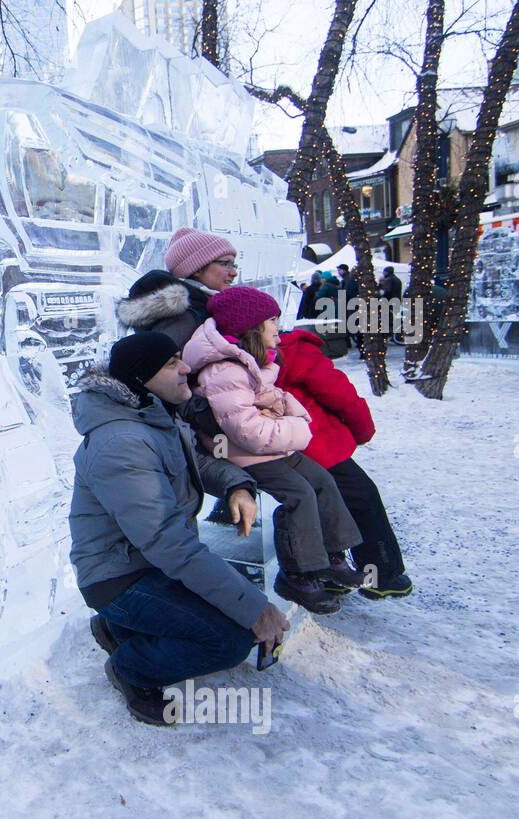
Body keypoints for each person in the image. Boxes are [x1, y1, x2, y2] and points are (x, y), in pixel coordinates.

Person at [69, 332, 290, 726]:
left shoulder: (153, 414)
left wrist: (236, 484)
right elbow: (167, 543)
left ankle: (119, 627)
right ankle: (131, 668)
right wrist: (256, 609)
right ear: (141, 378)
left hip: (150, 563)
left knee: (229, 606)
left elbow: (196, 465)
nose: (186, 367)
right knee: (230, 639)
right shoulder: (121, 442)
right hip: (120, 576)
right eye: (172, 363)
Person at [183, 286, 364, 614]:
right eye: (272, 321)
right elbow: (248, 431)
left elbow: (273, 398)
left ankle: (332, 554)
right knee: (299, 494)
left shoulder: (250, 362)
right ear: (251, 327)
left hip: (269, 446)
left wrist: (286, 413)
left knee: (322, 480)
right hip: (240, 452)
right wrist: (295, 427)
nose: (278, 328)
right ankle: (296, 573)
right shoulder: (224, 370)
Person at [276, 326, 412, 599]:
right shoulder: (296, 350)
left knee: (323, 503)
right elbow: (341, 395)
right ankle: (380, 573)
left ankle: (329, 571)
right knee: (362, 498)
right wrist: (363, 431)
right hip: (316, 443)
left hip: (280, 445)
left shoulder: (248, 353)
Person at [115, 227, 239, 347]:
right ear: (197, 268)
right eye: (225, 264)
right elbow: (160, 363)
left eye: (234, 265)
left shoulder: (198, 306)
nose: (234, 273)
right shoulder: (187, 315)